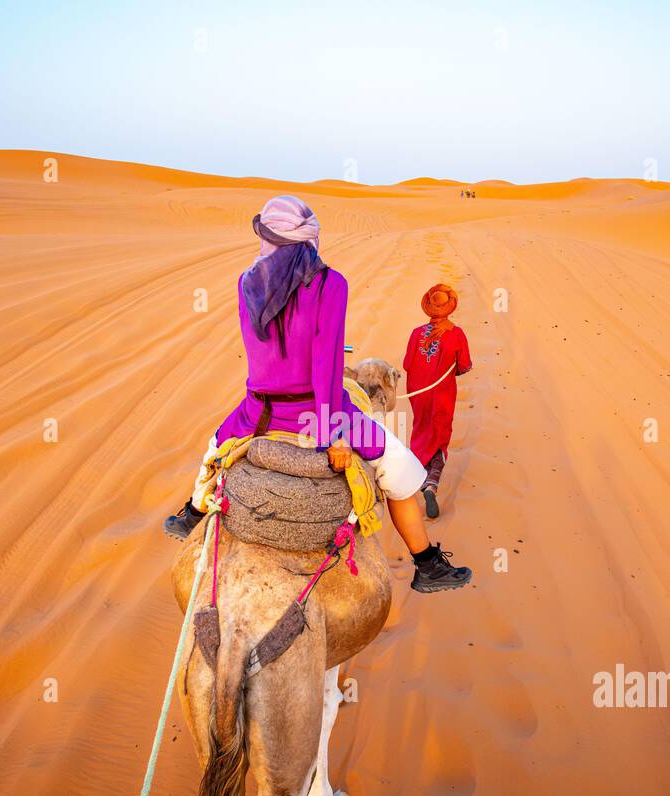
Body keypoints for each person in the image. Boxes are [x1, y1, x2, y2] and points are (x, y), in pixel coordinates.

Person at [164, 196, 471, 594]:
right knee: (403, 473)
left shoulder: (247, 283)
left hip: (256, 410)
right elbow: (326, 365)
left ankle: (191, 513)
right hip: (317, 414)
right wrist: (333, 434)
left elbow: (262, 359)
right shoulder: (330, 283)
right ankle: (427, 565)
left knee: (214, 452)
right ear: (310, 238)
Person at [403, 284, 472, 518]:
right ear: (449, 307)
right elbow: (464, 366)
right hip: (442, 392)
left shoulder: (415, 333)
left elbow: (407, 365)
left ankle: (416, 476)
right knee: (440, 434)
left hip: (417, 391)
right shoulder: (456, 333)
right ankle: (431, 484)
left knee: (421, 429)